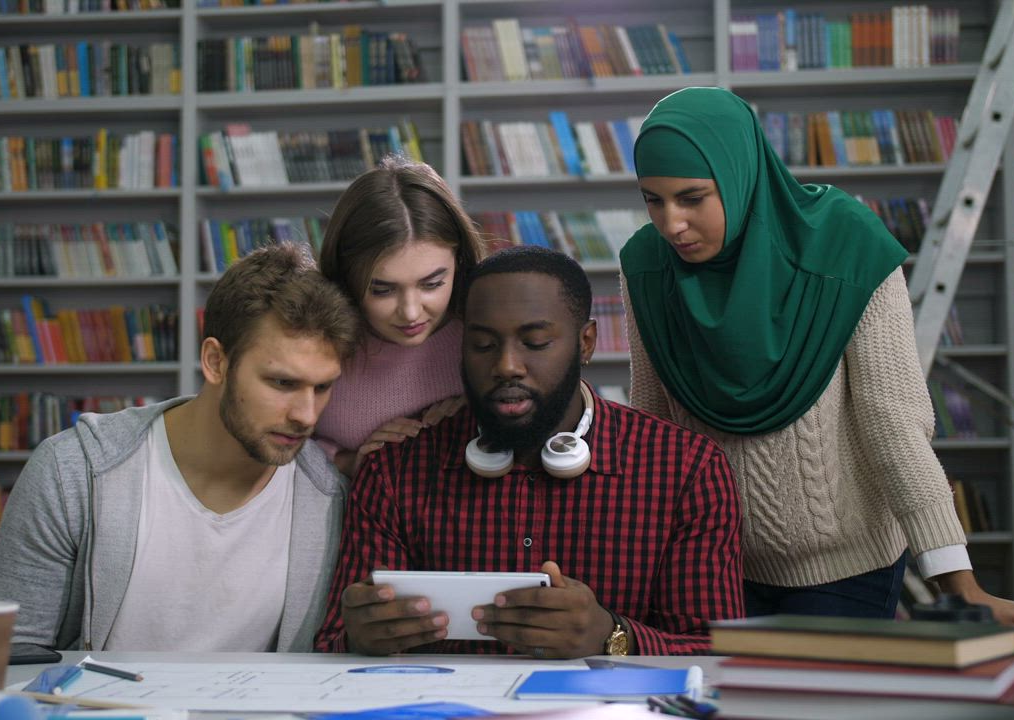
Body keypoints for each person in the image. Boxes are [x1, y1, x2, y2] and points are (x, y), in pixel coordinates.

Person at [619, 87, 1014, 644]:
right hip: (709, 566)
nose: (672, 224)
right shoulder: (645, 268)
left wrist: (961, 586)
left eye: (692, 198)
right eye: (653, 201)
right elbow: (651, 423)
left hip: (846, 568)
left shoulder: (847, 247)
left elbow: (893, 420)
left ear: (740, 175)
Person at [314, 245, 743, 658]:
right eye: (482, 345)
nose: (506, 365)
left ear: (587, 342)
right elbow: (333, 639)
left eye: (535, 342)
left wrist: (611, 635)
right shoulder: (394, 471)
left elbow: (715, 652)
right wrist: (361, 636)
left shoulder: (686, 469)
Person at [0, 243, 361, 652]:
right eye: (282, 383)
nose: (306, 415)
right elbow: (4, 657)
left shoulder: (328, 500)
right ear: (215, 362)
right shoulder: (74, 473)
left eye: (322, 387)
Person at [314, 156, 487, 478]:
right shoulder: (317, 338)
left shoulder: (490, 331)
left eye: (432, 284)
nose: (410, 312)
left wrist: (484, 415)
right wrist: (346, 462)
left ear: (461, 262)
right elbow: (270, 439)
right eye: (382, 290)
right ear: (347, 278)